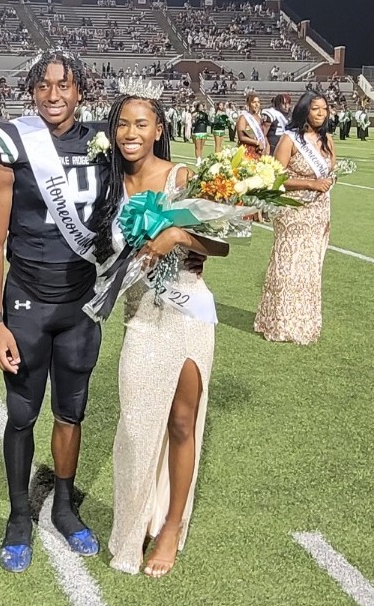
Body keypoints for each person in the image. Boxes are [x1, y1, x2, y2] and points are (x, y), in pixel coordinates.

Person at [0, 50, 110, 573]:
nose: (53, 95)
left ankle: (63, 506)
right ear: (32, 92)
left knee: (71, 412)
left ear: (80, 91)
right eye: (43, 86)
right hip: (27, 302)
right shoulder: (12, 144)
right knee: (22, 414)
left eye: (63, 85)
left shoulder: (103, 142)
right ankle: (17, 516)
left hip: (81, 304)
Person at [89, 82, 228, 578]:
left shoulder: (180, 176)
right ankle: (130, 527)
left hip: (188, 311)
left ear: (158, 130)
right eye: (122, 124)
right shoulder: (107, 183)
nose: (130, 133)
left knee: (182, 423)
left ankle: (170, 525)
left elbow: (220, 245)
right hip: (141, 317)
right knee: (134, 425)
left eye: (141, 124)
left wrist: (176, 234)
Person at [254, 92, 336, 345]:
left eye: (324, 109)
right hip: (292, 210)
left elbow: (331, 172)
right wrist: (310, 184)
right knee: (288, 265)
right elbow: (276, 177)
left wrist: (326, 185)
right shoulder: (290, 139)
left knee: (311, 267)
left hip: (318, 211)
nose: (321, 114)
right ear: (304, 111)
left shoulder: (327, 140)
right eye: (316, 109)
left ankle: (304, 322)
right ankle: (279, 321)